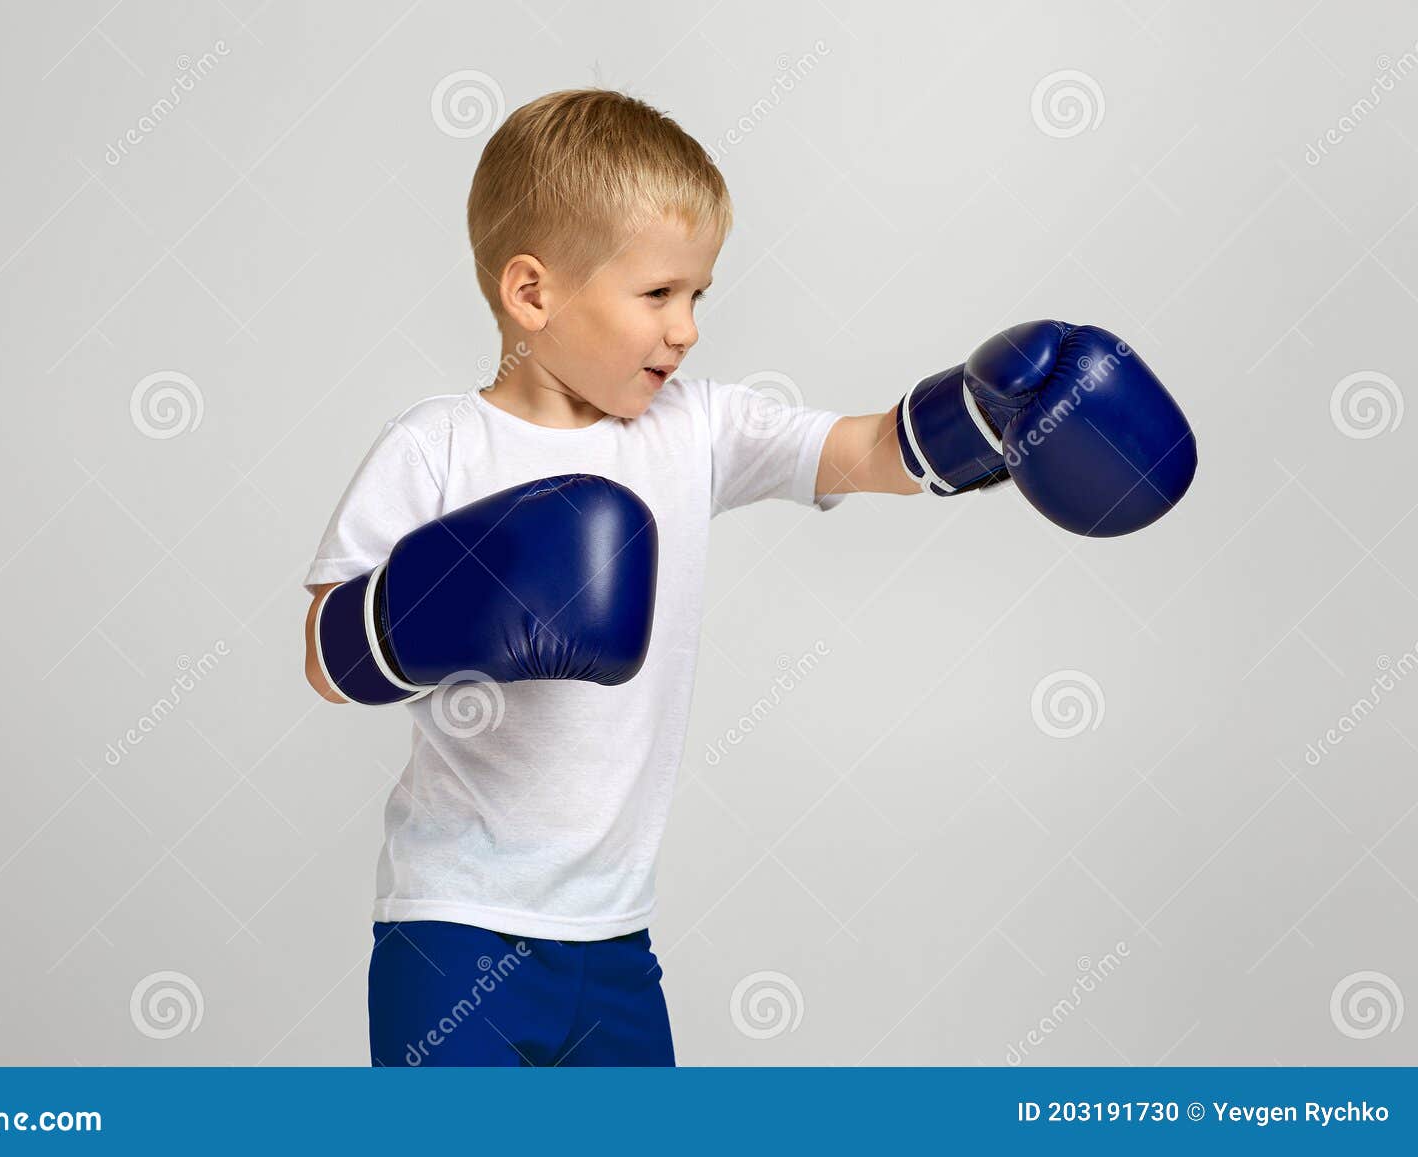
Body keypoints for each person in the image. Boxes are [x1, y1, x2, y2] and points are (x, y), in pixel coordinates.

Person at [301, 89, 1195, 1067]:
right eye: (657, 295)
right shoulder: (439, 445)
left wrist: (989, 413)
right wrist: (459, 599)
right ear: (532, 293)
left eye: (698, 295)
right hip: (453, 923)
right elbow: (323, 651)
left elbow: (857, 449)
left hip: (613, 935)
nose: (685, 329)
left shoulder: (696, 426)